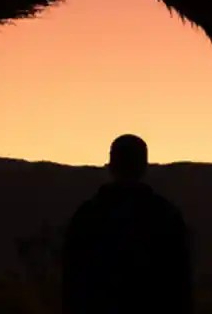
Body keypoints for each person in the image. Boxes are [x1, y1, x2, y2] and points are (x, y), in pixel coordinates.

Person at [62, 134, 193, 313]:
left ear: (111, 166)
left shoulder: (87, 215)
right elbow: (180, 283)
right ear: (144, 167)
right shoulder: (166, 216)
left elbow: (72, 281)